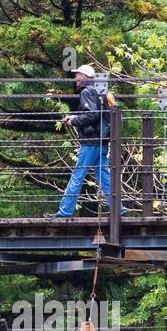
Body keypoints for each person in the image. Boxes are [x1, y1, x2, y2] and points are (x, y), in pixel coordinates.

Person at [46, 64, 119, 218]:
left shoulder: (86, 91)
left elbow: (92, 115)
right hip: (102, 140)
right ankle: (118, 209)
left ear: (85, 76)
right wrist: (75, 117)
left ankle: (65, 212)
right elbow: (97, 113)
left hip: (91, 142)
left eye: (77, 75)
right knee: (104, 178)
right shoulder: (99, 91)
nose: (75, 78)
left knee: (78, 176)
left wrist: (74, 121)